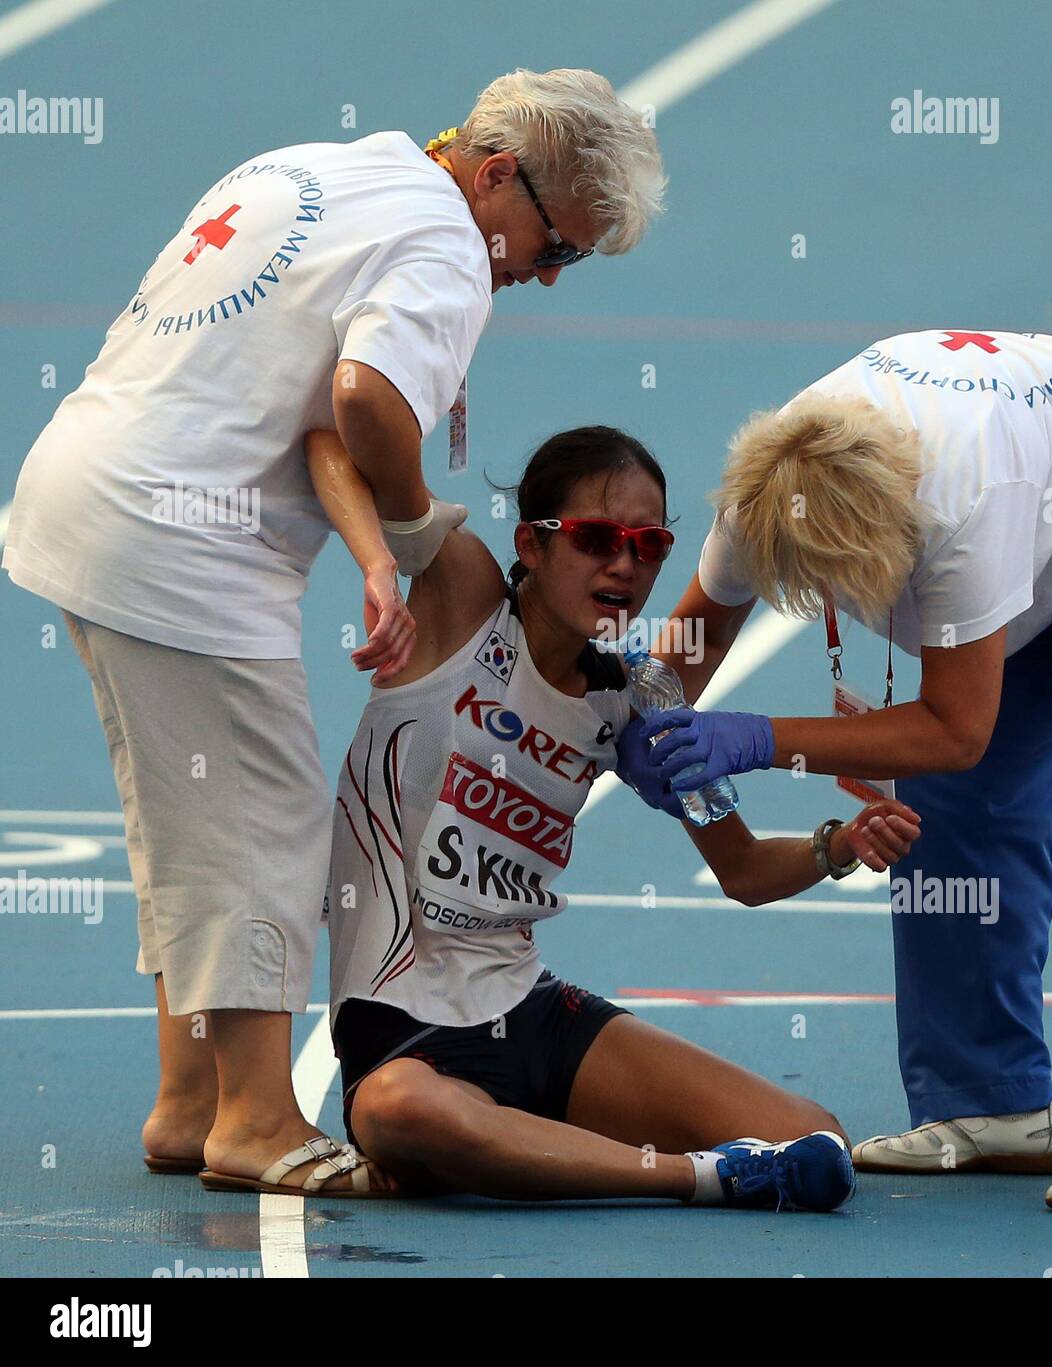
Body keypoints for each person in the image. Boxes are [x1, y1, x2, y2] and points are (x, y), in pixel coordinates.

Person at [2, 68, 665, 1196]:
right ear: (496, 175)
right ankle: (255, 1121)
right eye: (552, 248)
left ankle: (191, 1099)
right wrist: (405, 529)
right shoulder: (450, 247)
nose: (542, 276)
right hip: (182, 544)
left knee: (188, 819)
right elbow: (363, 400)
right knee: (264, 829)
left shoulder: (319, 164)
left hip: (86, 489)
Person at [617, 329, 1052, 1213]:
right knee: (959, 804)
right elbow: (686, 649)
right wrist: (638, 720)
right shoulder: (768, 489)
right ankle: (990, 1103)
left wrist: (760, 737)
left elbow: (956, 727)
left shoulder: (965, 508)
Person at [304, 422, 923, 1209]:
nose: (624, 565)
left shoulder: (635, 696)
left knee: (811, 1133)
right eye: (597, 538)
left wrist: (838, 844)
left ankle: (517, 1144)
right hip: (403, 1035)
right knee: (403, 1112)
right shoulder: (461, 598)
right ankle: (702, 1177)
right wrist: (378, 563)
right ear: (530, 543)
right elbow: (342, 433)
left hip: (529, 1014)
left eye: (649, 544)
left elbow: (743, 871)